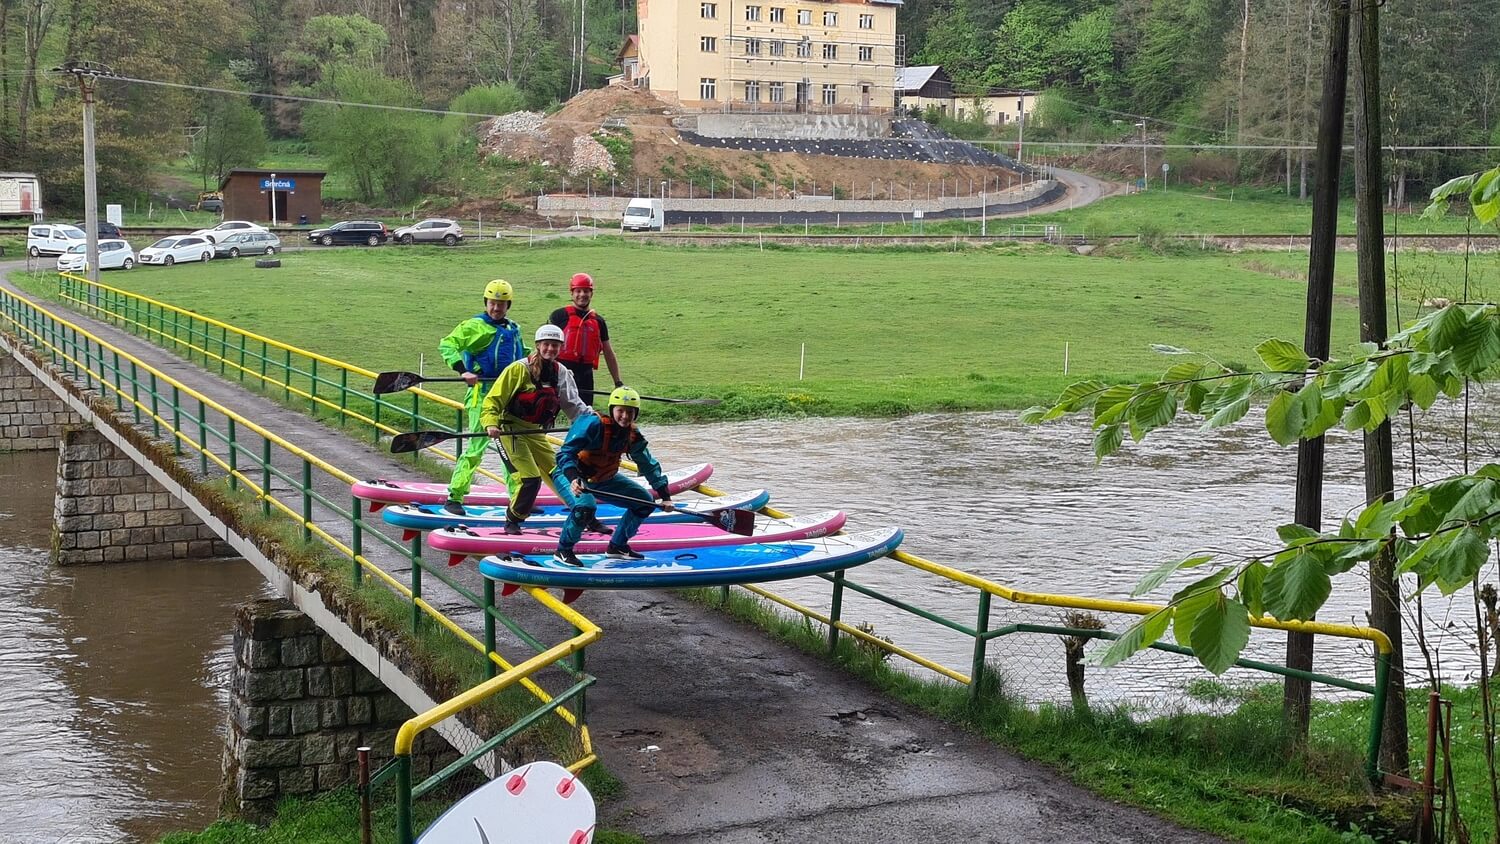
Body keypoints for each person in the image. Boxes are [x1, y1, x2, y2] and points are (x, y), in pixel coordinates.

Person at [480, 325, 596, 535]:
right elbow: (493, 400)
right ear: (538, 346)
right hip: (510, 429)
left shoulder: (561, 372)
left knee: (560, 472)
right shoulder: (518, 369)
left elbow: (573, 405)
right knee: (530, 478)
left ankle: (584, 513)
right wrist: (490, 423)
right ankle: (513, 519)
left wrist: (591, 421)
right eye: (546, 345)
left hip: (534, 431)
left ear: (560, 348)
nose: (550, 349)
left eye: (555, 345)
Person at [552, 387, 674, 566]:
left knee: (644, 503)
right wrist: (573, 479)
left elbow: (648, 465)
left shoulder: (633, 436)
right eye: (620, 411)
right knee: (585, 507)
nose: (625, 416)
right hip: (570, 476)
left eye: (630, 412)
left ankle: (617, 546)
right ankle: (563, 550)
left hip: (604, 479)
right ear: (612, 410)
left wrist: (665, 497)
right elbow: (564, 454)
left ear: (636, 414)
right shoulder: (592, 424)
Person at [438, 279, 527, 515]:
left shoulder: (513, 329)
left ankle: (517, 500)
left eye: (501, 304)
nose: (496, 308)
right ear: (486, 302)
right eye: (492, 303)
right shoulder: (474, 327)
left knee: (510, 450)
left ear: (508, 305)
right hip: (482, 395)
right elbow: (447, 344)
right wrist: (462, 370)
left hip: (508, 396)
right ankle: (455, 496)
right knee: (476, 447)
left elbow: (524, 356)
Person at [549, 273, 623, 402]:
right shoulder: (559, 316)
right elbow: (545, 345)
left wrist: (618, 382)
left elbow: (608, 352)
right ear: (572, 293)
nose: (582, 294)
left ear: (591, 294)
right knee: (549, 410)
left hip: (586, 375)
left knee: (584, 415)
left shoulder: (599, 321)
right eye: (578, 291)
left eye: (586, 291)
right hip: (560, 371)